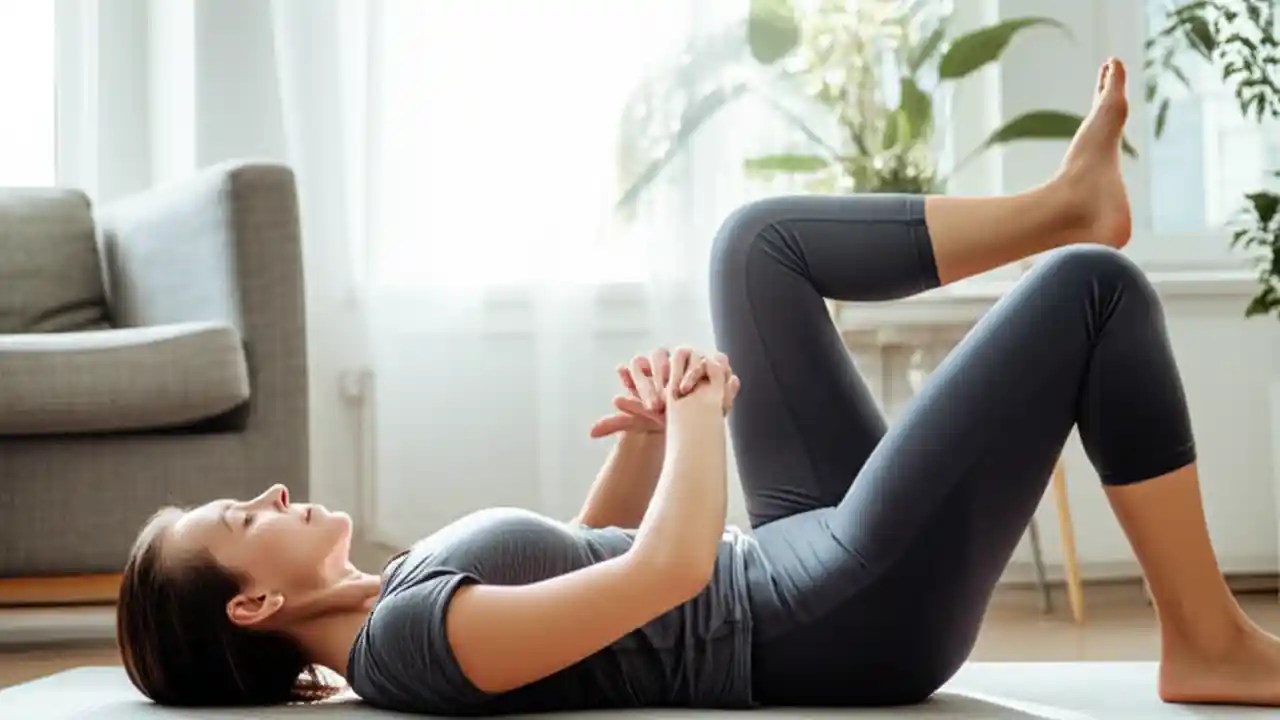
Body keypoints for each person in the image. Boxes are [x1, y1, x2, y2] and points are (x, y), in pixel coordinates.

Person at [116, 59, 1280, 713]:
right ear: (252, 608)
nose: (266, 494)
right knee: (1088, 295)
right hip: (832, 618)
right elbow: (665, 572)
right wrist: (691, 423)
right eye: (240, 520)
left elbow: (591, 563)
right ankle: (1205, 637)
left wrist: (634, 439)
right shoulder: (405, 648)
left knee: (749, 245)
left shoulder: (401, 595)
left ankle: (1061, 202)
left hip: (790, 561)